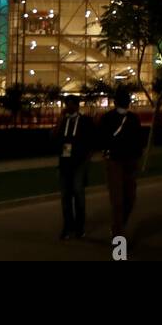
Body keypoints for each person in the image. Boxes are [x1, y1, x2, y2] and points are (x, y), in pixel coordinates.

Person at [99, 86, 143, 238]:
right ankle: (119, 237)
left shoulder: (133, 119)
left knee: (130, 198)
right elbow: (102, 138)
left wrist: (137, 158)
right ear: (117, 101)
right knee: (117, 200)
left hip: (130, 161)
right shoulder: (107, 118)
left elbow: (138, 140)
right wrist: (106, 153)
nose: (126, 102)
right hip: (114, 162)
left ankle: (119, 226)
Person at [55, 94, 96, 239]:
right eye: (67, 104)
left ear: (77, 106)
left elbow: (93, 141)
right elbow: (54, 138)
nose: (69, 107)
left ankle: (80, 227)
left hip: (79, 162)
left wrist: (87, 160)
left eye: (71, 104)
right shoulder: (63, 121)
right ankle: (68, 226)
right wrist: (60, 119)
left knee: (78, 193)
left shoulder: (85, 121)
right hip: (65, 163)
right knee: (65, 196)